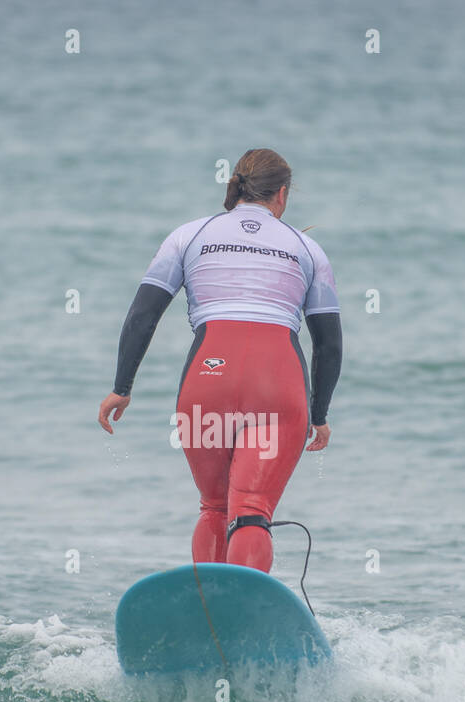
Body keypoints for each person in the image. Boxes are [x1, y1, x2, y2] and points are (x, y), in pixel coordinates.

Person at [97, 148, 342, 573]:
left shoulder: (188, 235)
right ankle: (241, 619)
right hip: (277, 383)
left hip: (208, 380)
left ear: (235, 187)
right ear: (281, 195)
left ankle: (206, 614)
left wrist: (122, 387)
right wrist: (318, 414)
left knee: (214, 506)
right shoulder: (308, 249)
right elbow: (329, 343)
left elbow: (143, 315)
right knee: (251, 509)